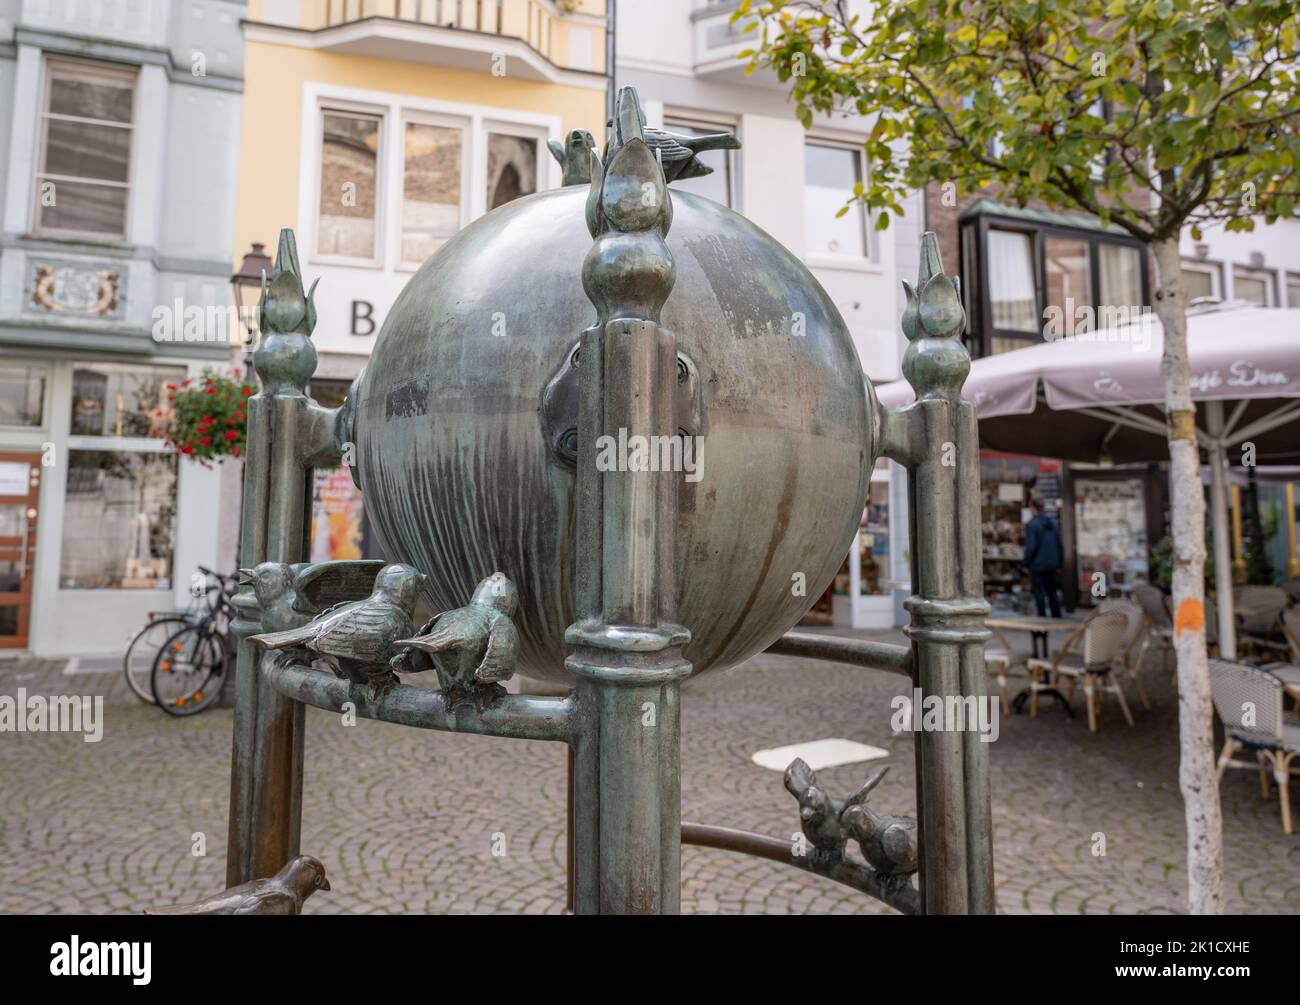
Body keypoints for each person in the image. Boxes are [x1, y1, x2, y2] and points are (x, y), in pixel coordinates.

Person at [1023, 497, 1063, 618]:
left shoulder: (1032, 524)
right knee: (1052, 592)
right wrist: (1059, 562)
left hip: (1038, 564)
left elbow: (1031, 547)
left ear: (1032, 507)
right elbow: (1059, 544)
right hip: (1052, 564)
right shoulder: (1054, 523)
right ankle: (1057, 617)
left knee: (1039, 593)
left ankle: (1042, 618)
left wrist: (1025, 563)